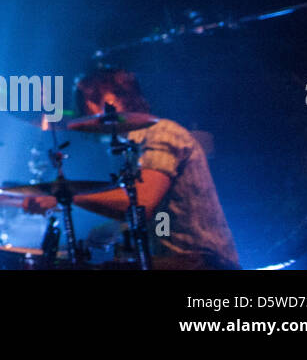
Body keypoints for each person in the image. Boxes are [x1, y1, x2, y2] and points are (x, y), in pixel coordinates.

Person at [23, 68, 241, 269]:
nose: (86, 108)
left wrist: (68, 197)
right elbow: (158, 218)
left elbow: (143, 203)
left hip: (203, 263)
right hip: (171, 260)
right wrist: (111, 231)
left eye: (90, 99)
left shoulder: (163, 132)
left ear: (112, 99)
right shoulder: (130, 150)